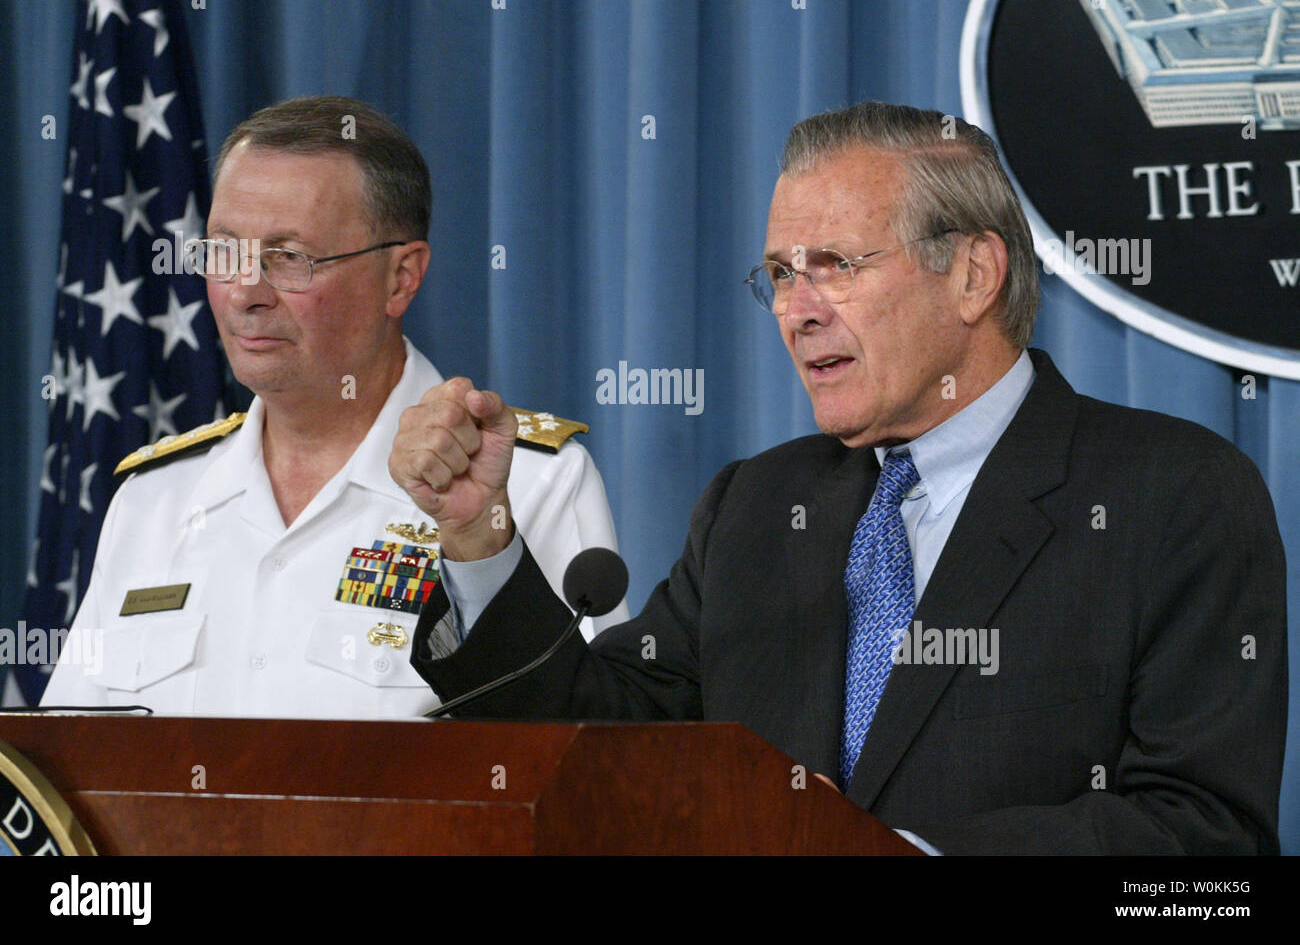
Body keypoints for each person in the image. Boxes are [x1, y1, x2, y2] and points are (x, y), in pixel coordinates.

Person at [393, 101, 1287, 854]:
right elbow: (601, 744)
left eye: (837, 267)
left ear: (974, 274)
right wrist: (478, 539)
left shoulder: (1173, 495)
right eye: (781, 274)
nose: (795, 310)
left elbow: (1204, 851)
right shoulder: (758, 505)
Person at [41, 96, 627, 719]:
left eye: (290, 258)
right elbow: (62, 775)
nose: (244, 292)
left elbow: (591, 762)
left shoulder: (528, 483)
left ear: (401, 277)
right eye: (224, 250)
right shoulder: (153, 501)